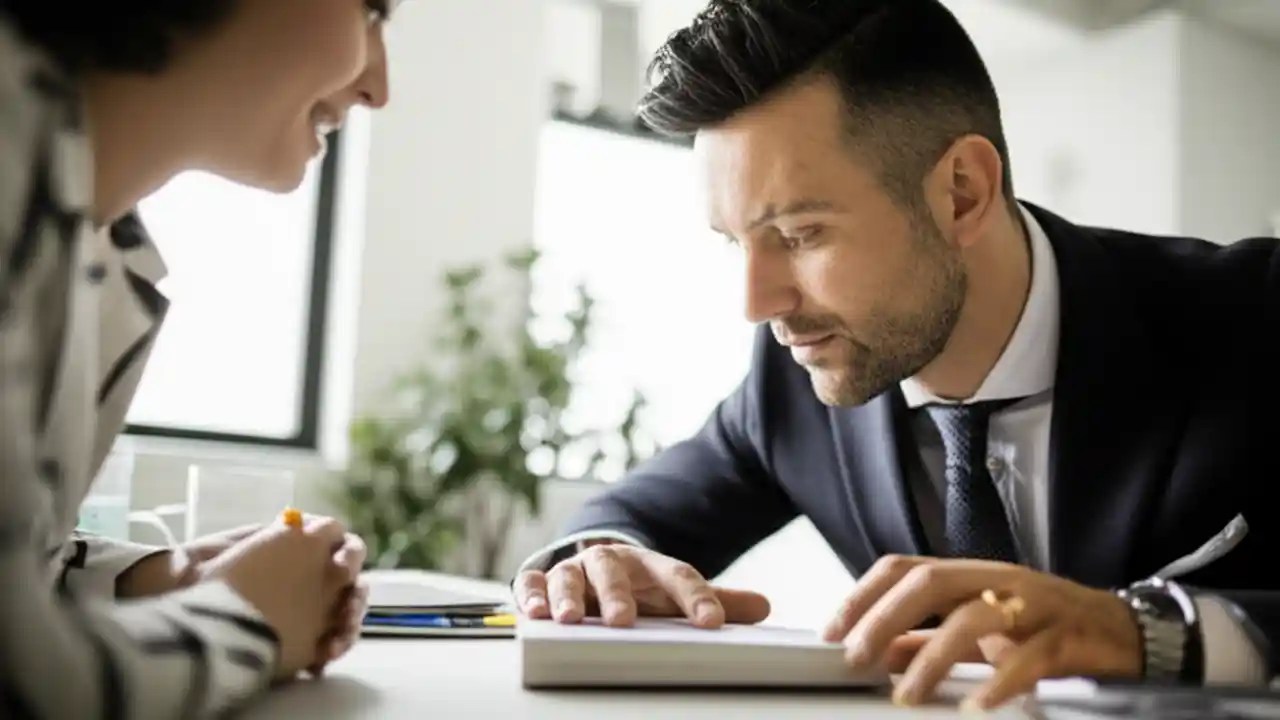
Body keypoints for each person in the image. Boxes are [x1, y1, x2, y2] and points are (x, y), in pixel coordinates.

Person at [513, 0, 1280, 711]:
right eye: (734, 242)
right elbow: (634, 516)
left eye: (801, 234)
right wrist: (600, 558)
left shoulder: (1255, 313)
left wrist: (1150, 631)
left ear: (962, 192)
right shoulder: (793, 377)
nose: (756, 304)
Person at [0, 1, 393, 717]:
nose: (378, 84)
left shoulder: (85, 236)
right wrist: (249, 622)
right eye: (370, 10)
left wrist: (160, 578)